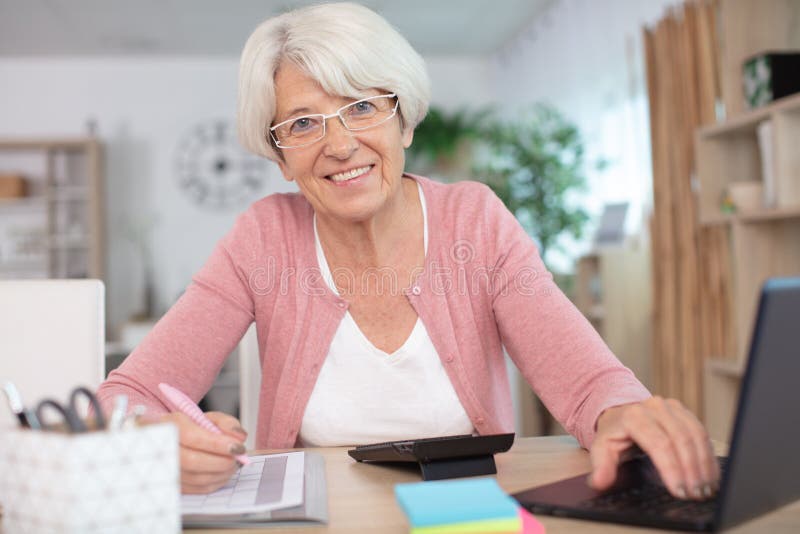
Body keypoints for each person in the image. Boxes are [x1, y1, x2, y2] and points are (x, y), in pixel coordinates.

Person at [97, 2, 719, 499]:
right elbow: (122, 395)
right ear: (281, 156)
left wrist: (623, 415)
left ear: (405, 121)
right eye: (304, 123)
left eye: (363, 106)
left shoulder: (475, 222)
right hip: (322, 517)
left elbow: (588, 385)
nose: (339, 145)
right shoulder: (262, 239)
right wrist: (152, 440)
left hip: (466, 510)